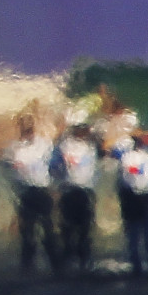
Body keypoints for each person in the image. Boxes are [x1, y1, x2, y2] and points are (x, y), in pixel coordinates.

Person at [5, 112, 60, 274]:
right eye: (24, 127)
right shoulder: (13, 148)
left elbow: (55, 167)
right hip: (25, 192)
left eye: (29, 126)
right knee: (27, 231)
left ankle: (55, 263)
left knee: (48, 228)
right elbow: (9, 171)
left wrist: (55, 188)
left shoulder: (44, 145)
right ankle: (28, 265)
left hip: (42, 190)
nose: (27, 130)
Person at [112, 129, 148, 278]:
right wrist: (128, 134)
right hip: (129, 196)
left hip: (146, 195)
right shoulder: (125, 153)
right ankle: (136, 265)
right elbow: (108, 148)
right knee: (133, 233)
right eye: (138, 139)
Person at [55, 115, 101, 274]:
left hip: (86, 190)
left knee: (85, 227)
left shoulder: (91, 146)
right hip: (69, 190)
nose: (84, 132)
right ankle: (69, 257)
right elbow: (55, 167)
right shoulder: (65, 146)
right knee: (68, 226)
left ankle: (84, 257)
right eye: (81, 129)